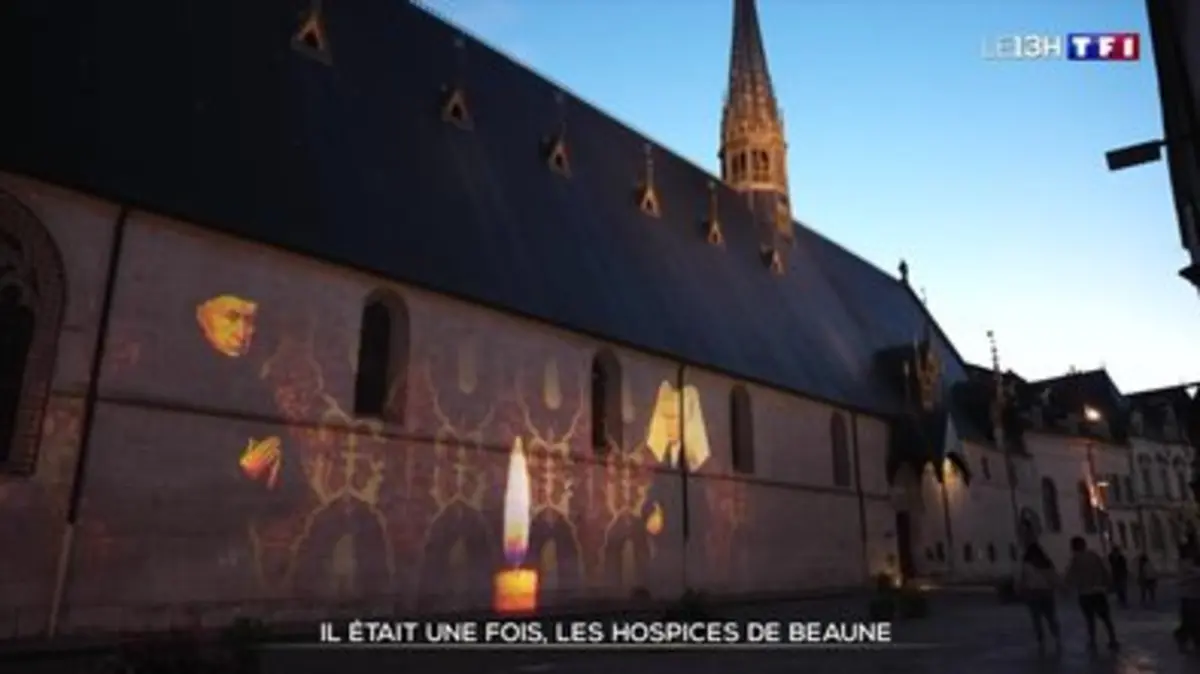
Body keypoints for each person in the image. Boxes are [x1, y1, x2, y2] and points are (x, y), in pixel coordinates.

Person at [1064, 536, 1119, 652]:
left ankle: (1092, 641)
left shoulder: (1076, 560)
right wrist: (1109, 584)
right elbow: (1104, 570)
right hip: (1098, 591)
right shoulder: (1094, 556)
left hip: (1085, 594)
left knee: (1090, 620)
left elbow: (1070, 576)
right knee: (1106, 618)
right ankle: (1113, 639)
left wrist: (1066, 588)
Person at [1016, 542, 1061, 655]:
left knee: (1036, 619)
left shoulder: (1027, 565)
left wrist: (1020, 590)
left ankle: (1041, 640)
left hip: (1033, 593)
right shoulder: (1046, 563)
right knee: (1051, 617)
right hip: (1047, 593)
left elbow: (1023, 579)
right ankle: (1057, 637)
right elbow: (1053, 577)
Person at [1174, 538, 1200, 652]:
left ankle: (1189, 639)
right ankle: (1183, 637)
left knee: (1191, 620)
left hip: (1195, 595)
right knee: (1191, 620)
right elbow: (1182, 579)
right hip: (1189, 596)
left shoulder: (1192, 562)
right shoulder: (1184, 563)